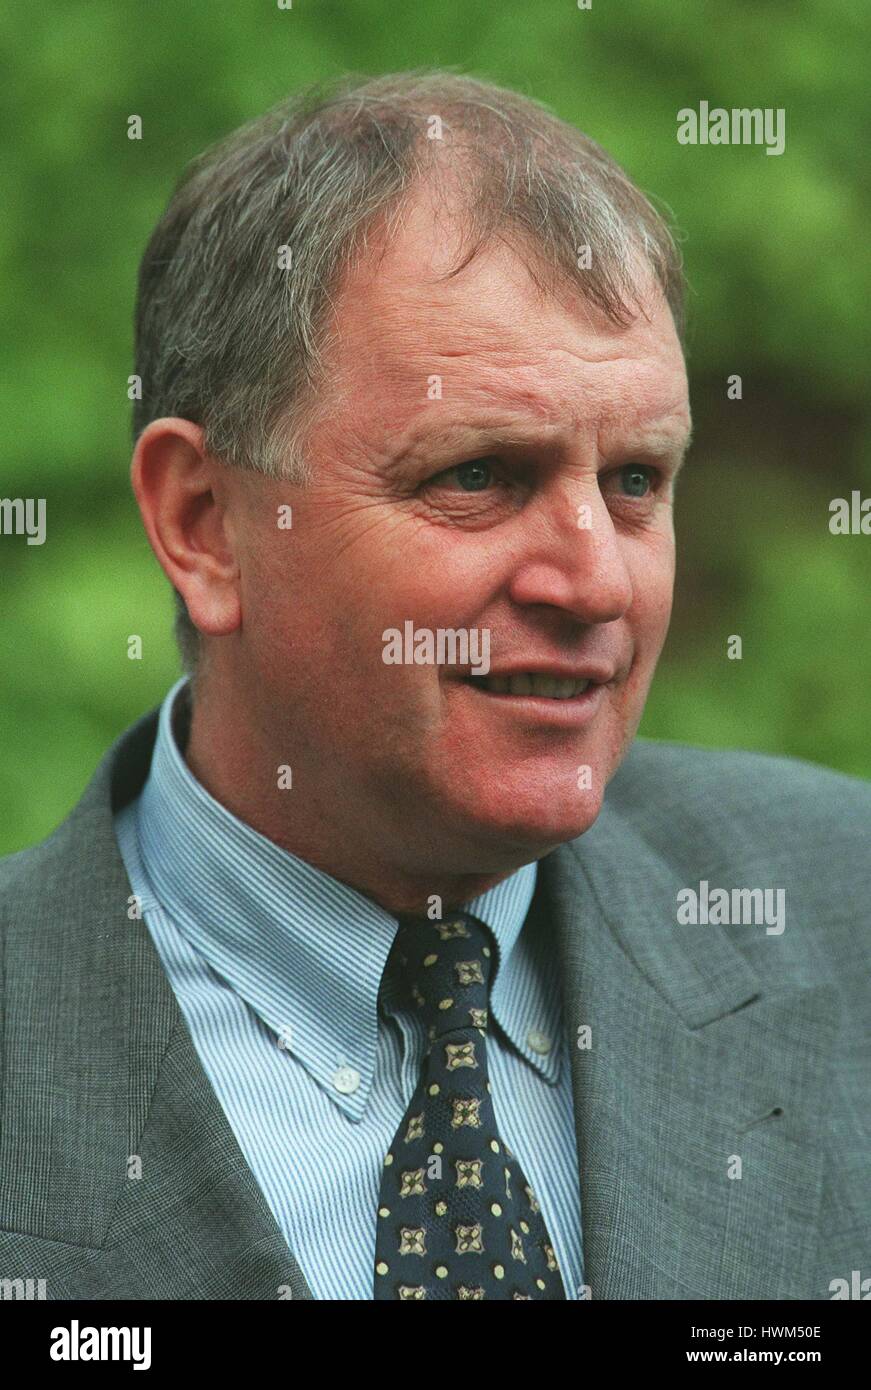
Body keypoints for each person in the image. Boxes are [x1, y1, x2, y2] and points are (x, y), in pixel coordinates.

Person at [0, 70, 867, 1302]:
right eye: (477, 476)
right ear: (205, 526)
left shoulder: (841, 912)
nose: (593, 581)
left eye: (633, 481)